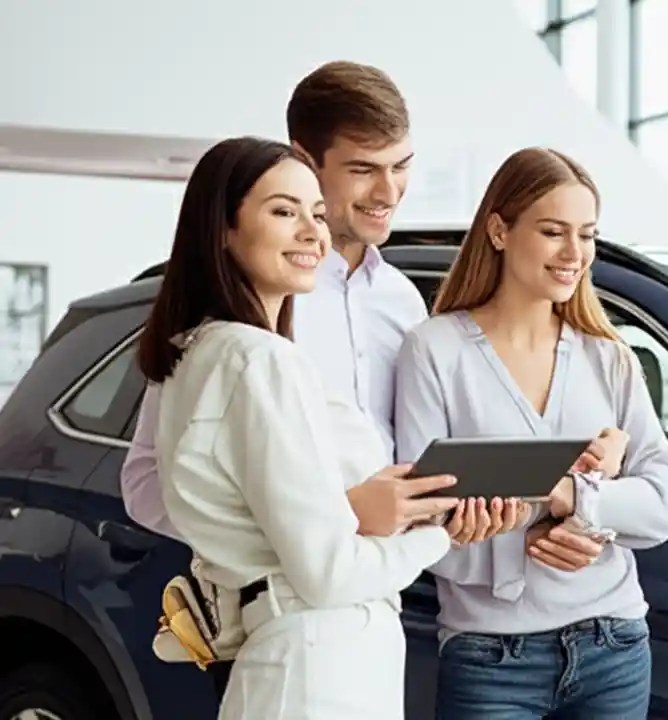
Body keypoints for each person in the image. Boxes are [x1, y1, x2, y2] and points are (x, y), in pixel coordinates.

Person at [120, 61, 530, 693]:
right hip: (291, 614)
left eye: (401, 166)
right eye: (364, 168)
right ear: (304, 158)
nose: (388, 191)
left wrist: (450, 506)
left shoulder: (403, 302)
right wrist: (324, 520)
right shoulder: (245, 336)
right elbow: (155, 481)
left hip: (378, 605)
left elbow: (410, 460)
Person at [138, 135, 459, 720]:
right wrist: (444, 535)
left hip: (302, 660)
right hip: (318, 665)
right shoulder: (257, 360)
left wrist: (375, 513)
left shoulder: (203, 352)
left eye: (317, 213)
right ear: (222, 229)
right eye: (285, 212)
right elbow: (330, 572)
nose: (314, 233)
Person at [395, 146, 668, 719]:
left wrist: (577, 501)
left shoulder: (610, 358)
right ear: (499, 231)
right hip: (489, 657)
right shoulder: (435, 350)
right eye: (553, 232)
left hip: (613, 645)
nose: (574, 253)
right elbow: (420, 521)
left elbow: (659, 509)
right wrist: (538, 536)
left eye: (587, 234)